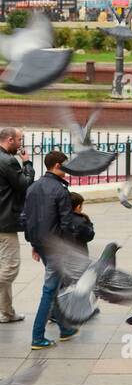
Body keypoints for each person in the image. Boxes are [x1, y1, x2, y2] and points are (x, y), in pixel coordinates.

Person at [22, 149, 80, 350]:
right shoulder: (60, 190)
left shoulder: (33, 187)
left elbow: (26, 219)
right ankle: (37, 337)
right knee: (49, 290)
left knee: (55, 286)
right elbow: (66, 223)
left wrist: (33, 244)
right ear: (57, 166)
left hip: (42, 244)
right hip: (56, 247)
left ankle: (65, 328)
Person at [0, 126, 35, 324]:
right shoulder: (7, 160)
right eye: (20, 140)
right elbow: (26, 185)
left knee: (3, 267)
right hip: (5, 223)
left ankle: (6, 313)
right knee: (10, 268)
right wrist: (27, 163)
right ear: (10, 140)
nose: (21, 144)